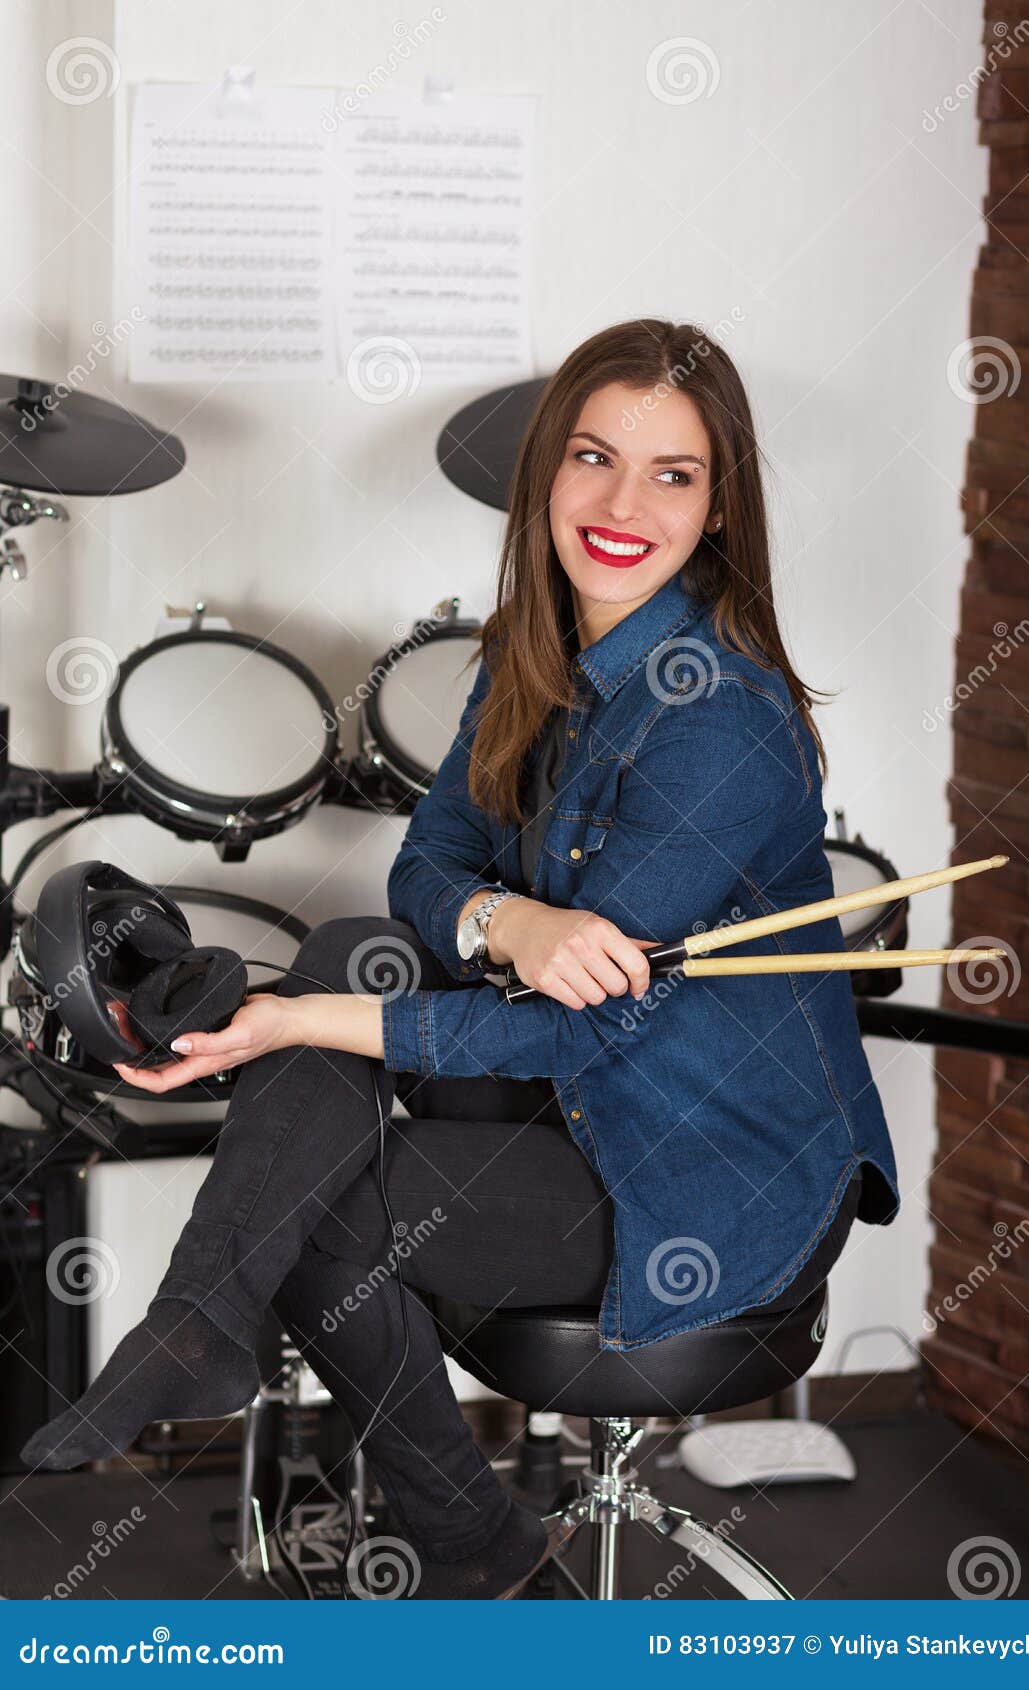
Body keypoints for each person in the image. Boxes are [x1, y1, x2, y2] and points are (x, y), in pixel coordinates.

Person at [20, 318, 899, 1600]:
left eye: (673, 473)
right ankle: (200, 1323)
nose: (619, 503)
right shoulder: (523, 652)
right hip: (576, 1096)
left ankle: (483, 1557)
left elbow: (585, 1029)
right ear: (545, 468)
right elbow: (422, 873)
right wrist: (509, 924)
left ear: (717, 507)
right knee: (353, 946)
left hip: (701, 1170)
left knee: (333, 1213)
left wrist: (293, 1025)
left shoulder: (722, 728)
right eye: (593, 457)